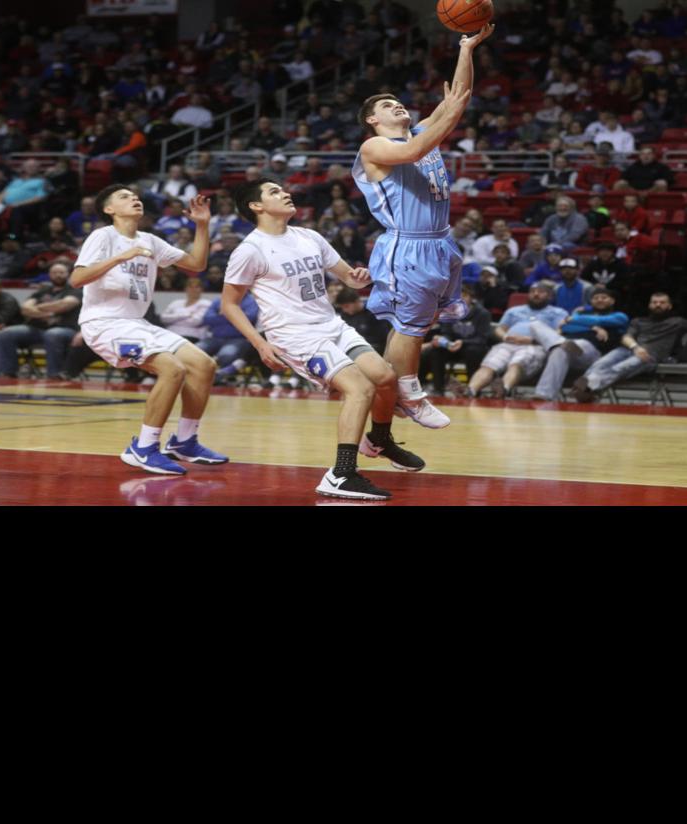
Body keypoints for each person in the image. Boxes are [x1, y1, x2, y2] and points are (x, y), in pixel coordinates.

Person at [220, 179, 414, 498]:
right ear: (257, 206)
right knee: (360, 389)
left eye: (284, 189)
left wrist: (359, 276)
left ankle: (380, 440)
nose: (285, 192)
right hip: (295, 336)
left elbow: (349, 278)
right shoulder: (249, 250)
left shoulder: (309, 236)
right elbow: (229, 304)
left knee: (385, 378)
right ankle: (341, 474)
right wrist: (260, 343)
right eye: (274, 192)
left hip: (330, 325)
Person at [353, 24, 494, 450]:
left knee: (418, 324)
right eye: (389, 105)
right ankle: (410, 395)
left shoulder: (418, 133)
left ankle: (388, 406)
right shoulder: (374, 148)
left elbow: (459, 99)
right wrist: (448, 115)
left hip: (440, 240)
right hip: (407, 243)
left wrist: (466, 50)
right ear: (373, 120)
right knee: (411, 327)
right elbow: (419, 147)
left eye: (400, 102)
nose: (399, 107)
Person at [70, 183, 230, 474]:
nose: (134, 199)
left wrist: (202, 226)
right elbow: (77, 278)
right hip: (104, 323)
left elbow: (196, 264)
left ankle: (184, 442)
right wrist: (120, 257)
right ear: (109, 209)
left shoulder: (151, 241)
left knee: (204, 365)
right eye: (124, 197)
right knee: (173, 369)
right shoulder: (103, 236)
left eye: (135, 196)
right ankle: (143, 448)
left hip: (137, 324)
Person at [569, 292, 687, 402]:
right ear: (649, 305)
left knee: (621, 367)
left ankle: (586, 386)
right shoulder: (638, 321)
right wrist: (636, 347)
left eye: (662, 302)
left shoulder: (678, 322)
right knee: (601, 363)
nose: (658, 305)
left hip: (650, 356)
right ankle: (586, 388)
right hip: (629, 349)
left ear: (669, 306)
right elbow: (626, 337)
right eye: (654, 302)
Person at [466, 282, 567, 399]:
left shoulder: (558, 312)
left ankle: (504, 389)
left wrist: (532, 340)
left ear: (549, 296)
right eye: (533, 292)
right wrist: (505, 337)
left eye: (540, 292)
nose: (536, 294)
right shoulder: (514, 310)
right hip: (508, 343)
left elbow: (559, 333)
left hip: (534, 346)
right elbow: (499, 328)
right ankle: (471, 390)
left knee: (516, 364)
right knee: (489, 365)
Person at [534, 285, 627, 402]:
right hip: (567, 349)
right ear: (591, 301)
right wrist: (594, 327)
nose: (599, 300)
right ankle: (544, 395)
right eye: (596, 298)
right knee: (538, 328)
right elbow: (567, 327)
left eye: (603, 297)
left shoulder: (619, 316)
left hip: (592, 353)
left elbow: (599, 321)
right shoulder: (582, 315)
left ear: (612, 301)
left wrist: (575, 320)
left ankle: (560, 343)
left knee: (573, 344)